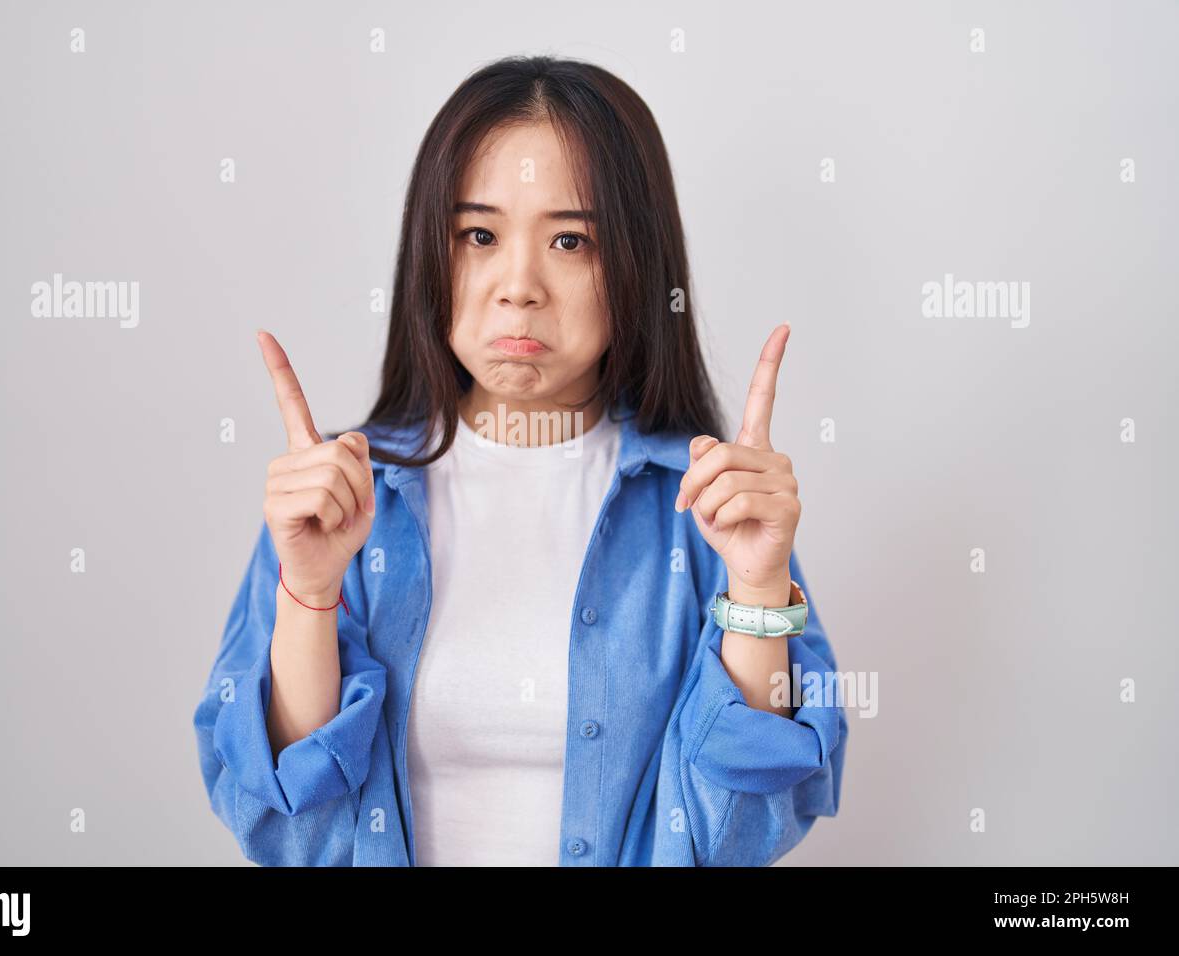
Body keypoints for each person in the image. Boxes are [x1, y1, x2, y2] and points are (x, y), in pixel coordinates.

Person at [193, 54, 847, 866]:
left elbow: (748, 829)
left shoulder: (708, 503)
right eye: (479, 235)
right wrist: (311, 591)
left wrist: (753, 589)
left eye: (570, 239)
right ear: (432, 258)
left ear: (636, 266)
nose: (518, 285)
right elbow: (283, 819)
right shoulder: (345, 496)